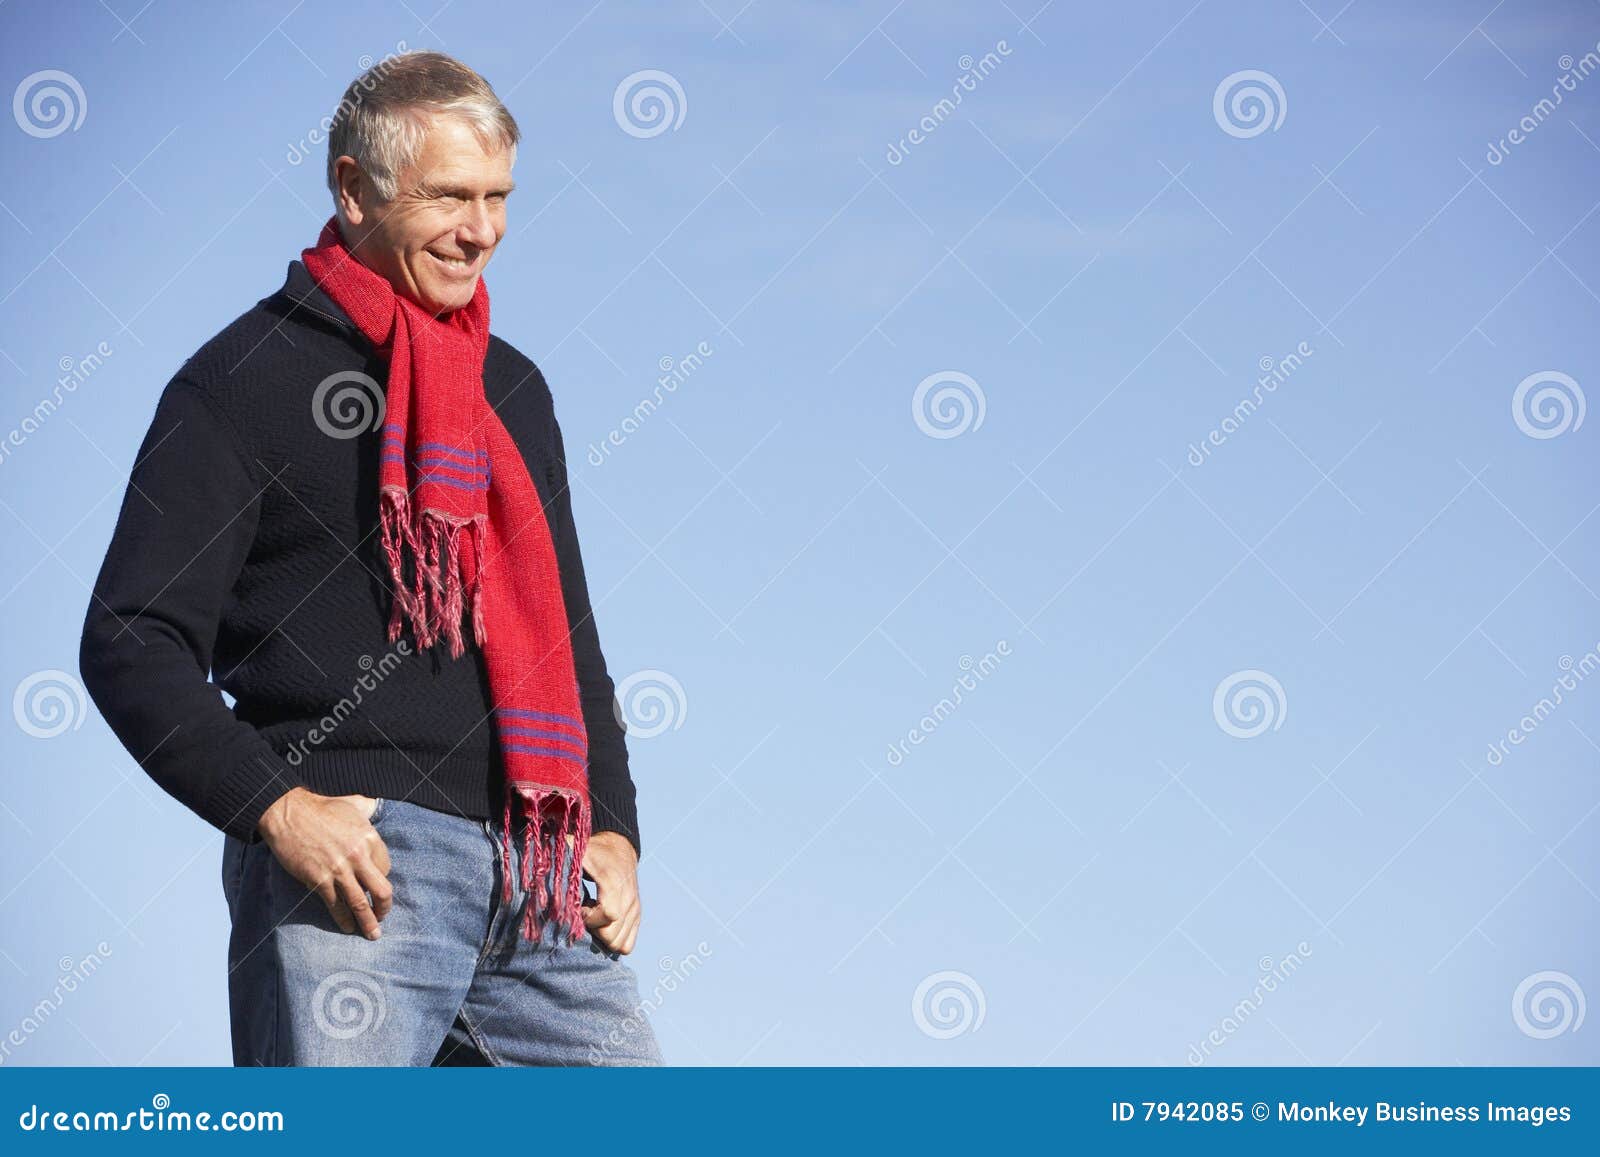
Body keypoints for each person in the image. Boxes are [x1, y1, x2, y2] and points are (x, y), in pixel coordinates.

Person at [78, 50, 662, 1066]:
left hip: (537, 873)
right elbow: (131, 637)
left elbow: (570, 636)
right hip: (356, 867)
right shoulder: (239, 380)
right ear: (353, 188)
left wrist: (611, 826)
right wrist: (277, 809)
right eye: (448, 195)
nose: (481, 229)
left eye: (497, 196)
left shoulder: (512, 389)